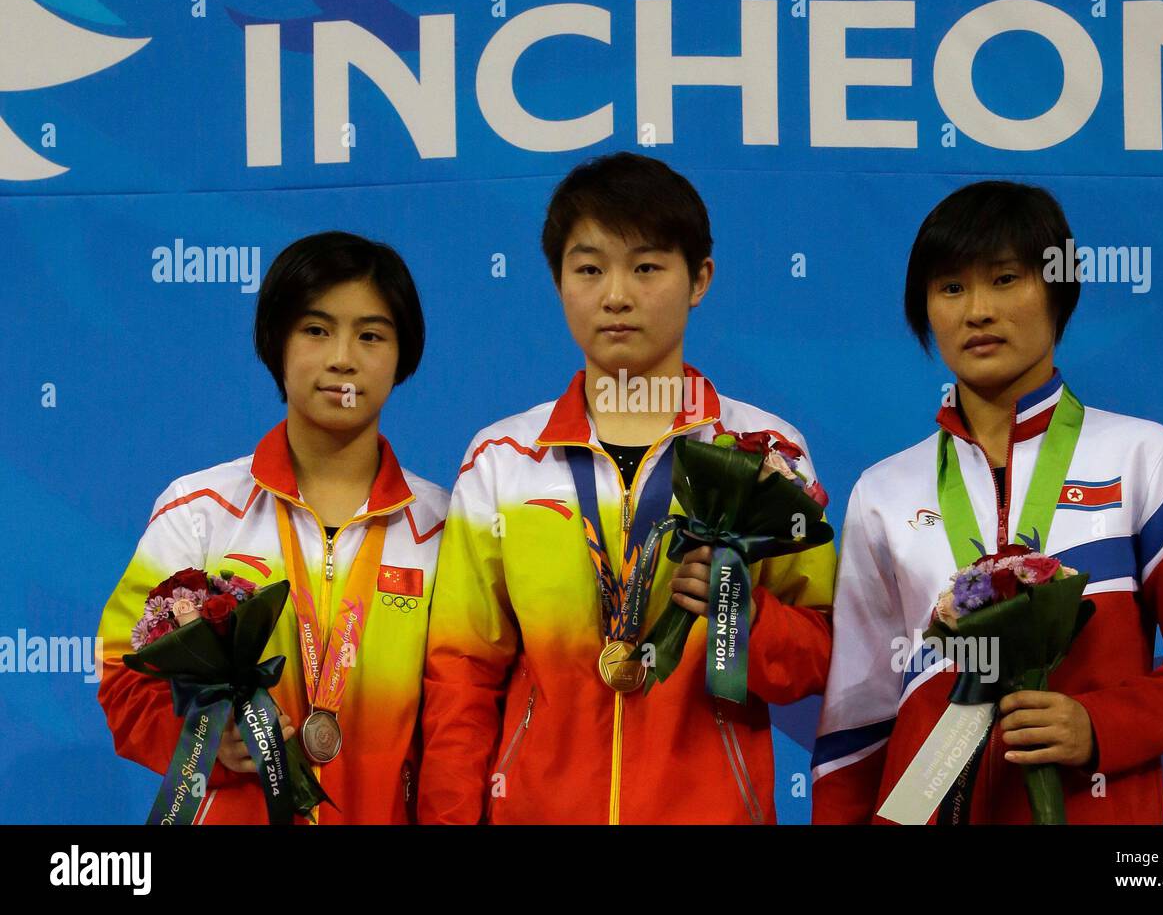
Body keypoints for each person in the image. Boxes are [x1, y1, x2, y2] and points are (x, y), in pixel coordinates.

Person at [812, 181, 1163, 824]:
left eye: (1005, 279)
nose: (978, 311)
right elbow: (857, 720)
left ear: (1058, 290)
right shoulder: (884, 492)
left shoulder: (1143, 458)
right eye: (951, 288)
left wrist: (1101, 725)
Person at [419, 152, 836, 824]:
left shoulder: (765, 455)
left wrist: (744, 616)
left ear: (699, 278)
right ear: (558, 281)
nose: (616, 294)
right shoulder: (503, 461)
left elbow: (818, 654)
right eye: (589, 268)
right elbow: (462, 671)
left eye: (646, 267)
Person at [97, 231, 449, 824]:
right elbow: (121, 674)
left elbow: (467, 707)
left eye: (370, 335)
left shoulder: (442, 526)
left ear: (402, 355)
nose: (343, 357)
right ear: (276, 344)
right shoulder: (201, 510)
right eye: (316, 330)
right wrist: (207, 742)